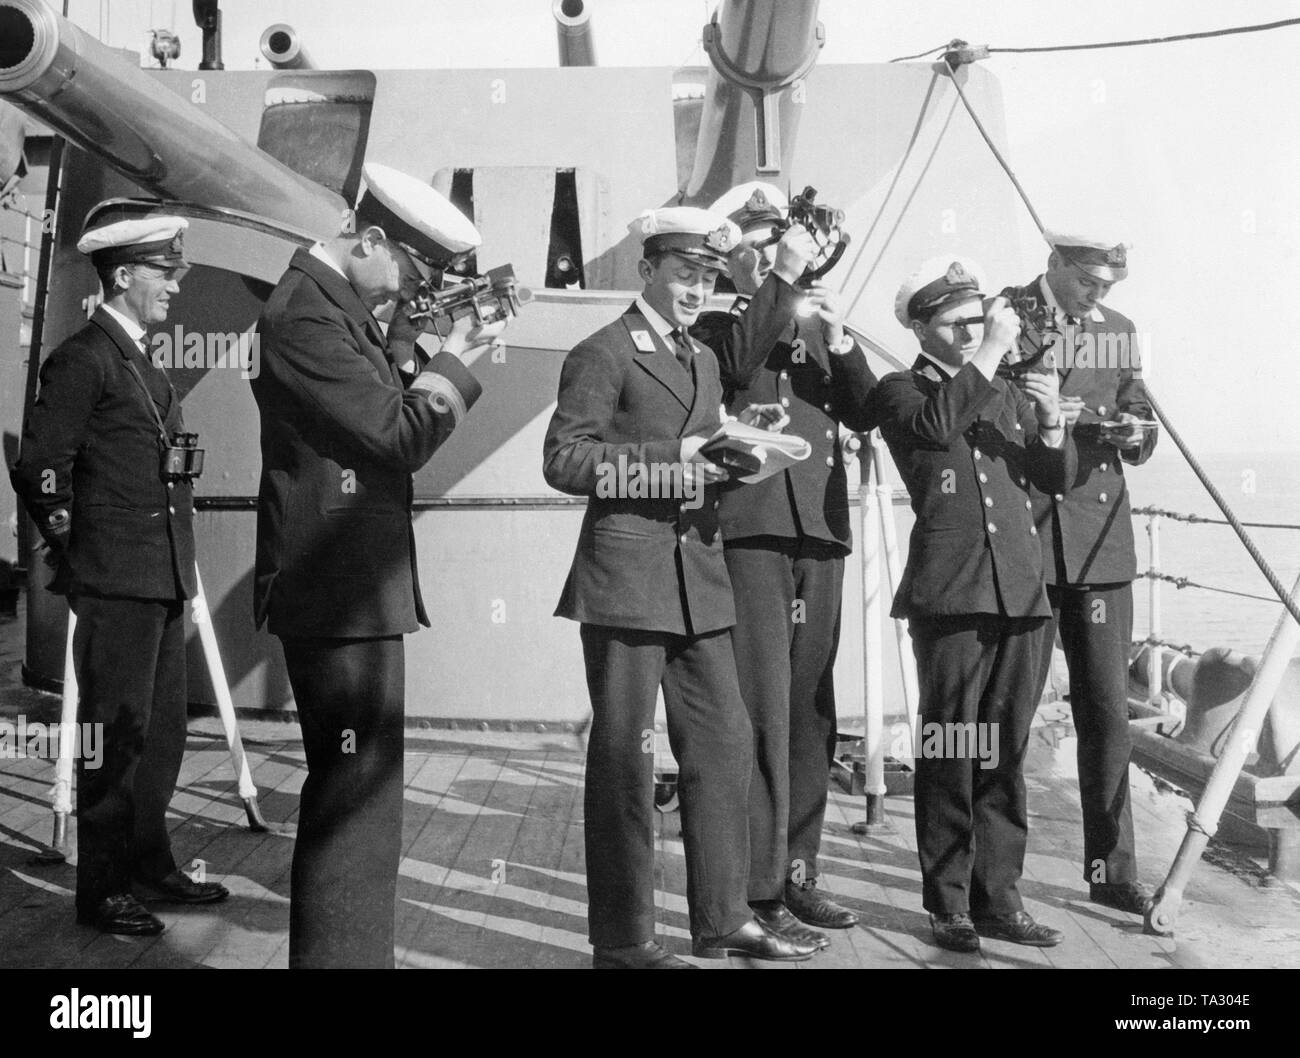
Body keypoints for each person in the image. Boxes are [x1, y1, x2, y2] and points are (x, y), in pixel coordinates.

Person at [543, 206, 819, 968]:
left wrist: (742, 443)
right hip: (627, 580)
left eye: (708, 276)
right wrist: (674, 457)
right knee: (627, 762)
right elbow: (565, 460)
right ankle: (625, 942)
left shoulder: (699, 358)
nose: (697, 289)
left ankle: (724, 918)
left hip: (697, 578)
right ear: (647, 271)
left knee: (727, 742)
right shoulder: (603, 351)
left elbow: (699, 452)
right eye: (684, 273)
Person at [250, 162, 504, 968]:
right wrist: (457, 364)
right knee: (353, 795)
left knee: (364, 792)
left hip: (350, 588)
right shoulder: (308, 318)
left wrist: (418, 343)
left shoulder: (330, 307)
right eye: (408, 272)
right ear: (368, 239)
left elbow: (374, 404)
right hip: (335, 590)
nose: (406, 291)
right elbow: (395, 436)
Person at [10, 204, 229, 935]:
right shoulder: (84, 358)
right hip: (118, 582)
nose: (177, 284)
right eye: (167, 272)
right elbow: (41, 468)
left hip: (161, 577)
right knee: (112, 738)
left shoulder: (136, 354)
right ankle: (102, 890)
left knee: (159, 733)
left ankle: (148, 864)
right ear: (125, 274)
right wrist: (83, 552)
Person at [864, 257, 1076, 953]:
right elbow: (932, 428)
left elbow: (1052, 479)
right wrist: (989, 355)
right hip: (952, 594)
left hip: (1020, 592)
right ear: (921, 325)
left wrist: (1049, 425)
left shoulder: (1004, 393)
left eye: (978, 321)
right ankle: (948, 903)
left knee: (1005, 751)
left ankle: (999, 899)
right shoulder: (902, 390)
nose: (973, 331)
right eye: (957, 323)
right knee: (952, 745)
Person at [691, 182, 877, 945]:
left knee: (809, 712)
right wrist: (784, 278)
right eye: (764, 242)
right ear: (734, 248)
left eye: (784, 240)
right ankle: (756, 889)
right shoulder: (713, 316)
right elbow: (732, 371)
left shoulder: (805, 314)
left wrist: (840, 345)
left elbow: (865, 412)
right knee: (761, 707)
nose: (780, 252)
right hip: (754, 529)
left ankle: (798, 869)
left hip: (819, 531)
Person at [999, 231, 1157, 915]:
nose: (1100, 296)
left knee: (1105, 710)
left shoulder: (1115, 331)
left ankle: (1111, 869)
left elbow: (1140, 405)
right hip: (1025, 535)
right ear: (1056, 265)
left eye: (1108, 287)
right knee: (1009, 712)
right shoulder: (1004, 314)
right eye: (1089, 281)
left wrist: (1134, 431)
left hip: (1098, 542)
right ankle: (993, 877)